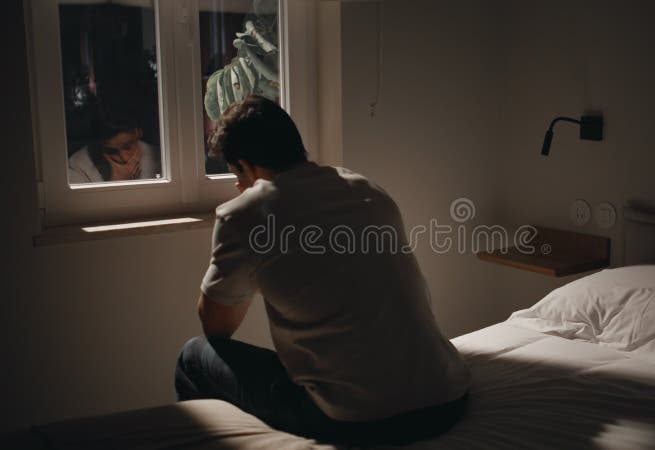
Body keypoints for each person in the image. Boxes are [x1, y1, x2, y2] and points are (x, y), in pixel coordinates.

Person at [174, 95, 471, 445]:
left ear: (244, 165)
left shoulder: (245, 215)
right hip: (449, 399)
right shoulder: (366, 190)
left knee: (194, 355)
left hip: (362, 421)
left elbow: (216, 326)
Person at [67, 110, 160, 183]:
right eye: (111, 151)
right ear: (98, 144)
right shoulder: (78, 167)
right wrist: (116, 183)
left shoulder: (160, 158)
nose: (124, 158)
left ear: (138, 133)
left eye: (127, 147)